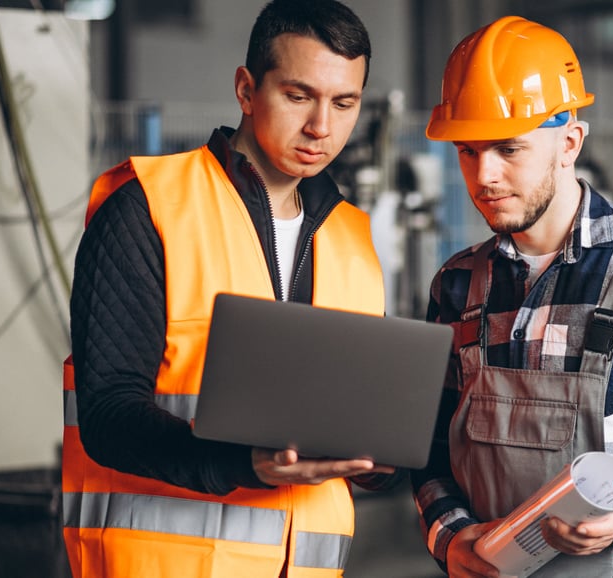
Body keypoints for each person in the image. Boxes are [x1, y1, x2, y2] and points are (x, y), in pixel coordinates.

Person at [62, 1, 396, 576]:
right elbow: (109, 414)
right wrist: (242, 462)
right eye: (298, 96)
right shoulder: (148, 208)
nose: (322, 126)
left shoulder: (352, 239)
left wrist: (377, 455)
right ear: (246, 89)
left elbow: (350, 415)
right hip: (162, 565)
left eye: (344, 103)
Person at [411, 16, 613, 578]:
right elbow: (431, 446)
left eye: (507, 150)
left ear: (569, 143)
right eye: (467, 151)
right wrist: (452, 537)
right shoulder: (458, 283)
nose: (483, 176)